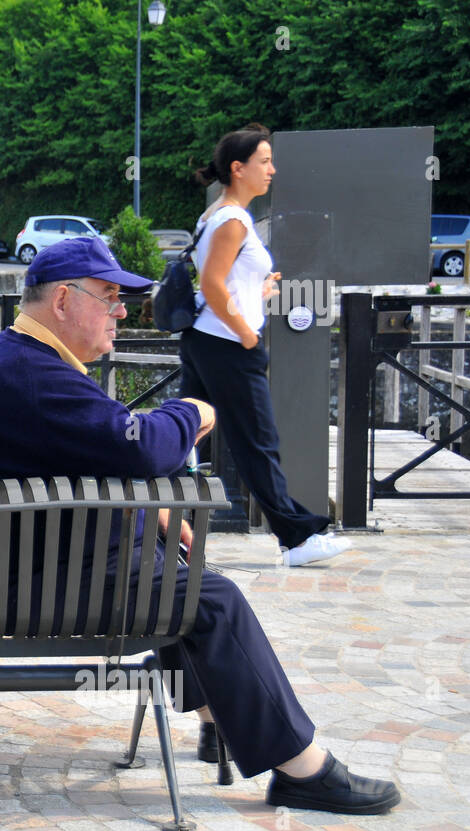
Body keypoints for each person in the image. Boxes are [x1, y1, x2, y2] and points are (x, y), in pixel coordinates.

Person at [0, 236, 400, 815]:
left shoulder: (24, 360)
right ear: (62, 300)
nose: (121, 312)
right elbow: (140, 446)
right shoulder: (33, 374)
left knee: (176, 571)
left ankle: (219, 720)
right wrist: (195, 408)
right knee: (212, 600)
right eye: (109, 297)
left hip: (35, 568)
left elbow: (93, 458)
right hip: (31, 586)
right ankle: (303, 771)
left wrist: (155, 514)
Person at [180, 123, 349, 569]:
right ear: (239, 168)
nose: (272, 169)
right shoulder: (233, 219)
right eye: (264, 161)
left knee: (187, 432)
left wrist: (258, 290)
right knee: (257, 441)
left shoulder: (217, 214)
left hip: (207, 339)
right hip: (229, 344)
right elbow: (212, 284)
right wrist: (247, 332)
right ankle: (296, 538)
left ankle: (166, 525)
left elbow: (225, 283)